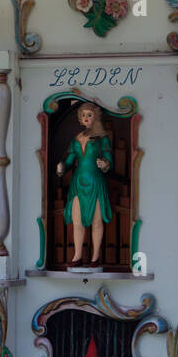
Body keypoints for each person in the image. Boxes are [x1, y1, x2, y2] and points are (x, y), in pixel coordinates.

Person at [57, 102, 113, 268]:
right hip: (78, 184)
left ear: (95, 116)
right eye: (83, 115)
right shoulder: (76, 139)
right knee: (77, 222)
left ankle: (95, 257)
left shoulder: (102, 139)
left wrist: (105, 164)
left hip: (95, 182)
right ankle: (77, 255)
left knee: (97, 222)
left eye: (89, 114)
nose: (86, 118)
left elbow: (109, 159)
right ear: (80, 119)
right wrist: (62, 168)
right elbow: (69, 161)